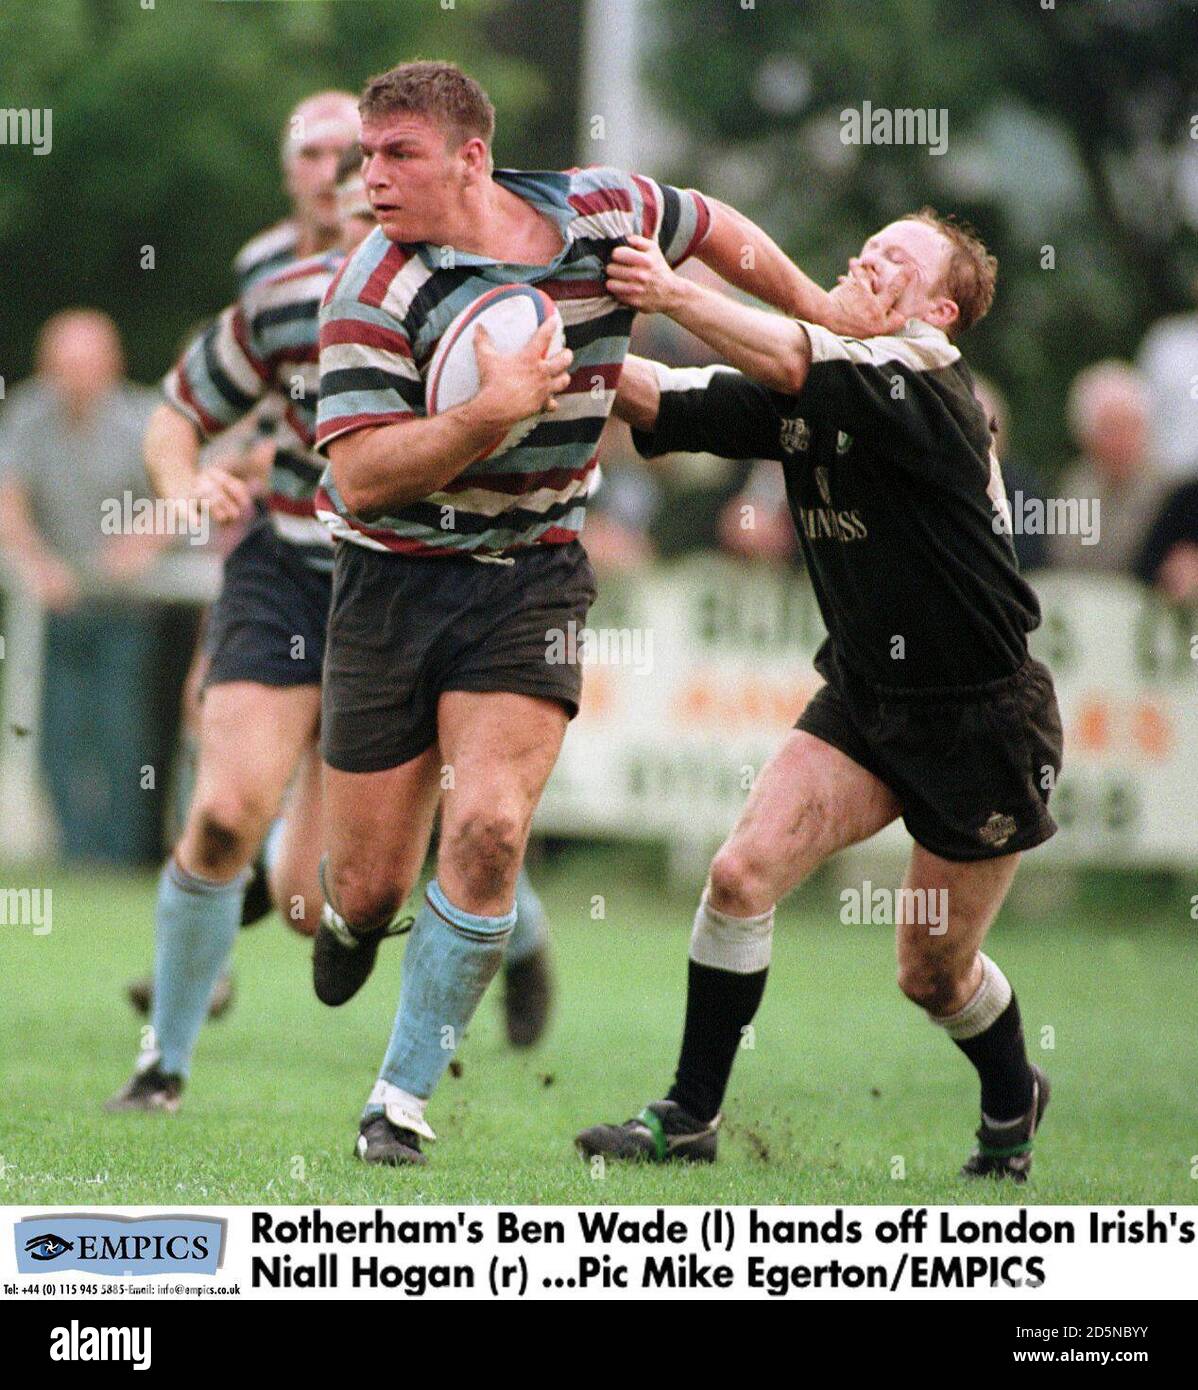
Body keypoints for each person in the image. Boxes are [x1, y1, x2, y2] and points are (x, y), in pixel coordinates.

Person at [310, 60, 899, 1167]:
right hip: (391, 582)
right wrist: (490, 413)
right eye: (365, 153)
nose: (371, 177)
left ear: (471, 156)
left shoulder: (598, 209)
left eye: (398, 154)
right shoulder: (370, 291)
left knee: (487, 827)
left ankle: (397, 1099)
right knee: (367, 882)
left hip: (531, 570)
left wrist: (816, 310)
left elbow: (711, 222)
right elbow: (360, 480)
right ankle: (351, 925)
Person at [576, 208, 1063, 1182]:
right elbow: (664, 396)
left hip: (980, 717)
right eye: (865, 244)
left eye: (893, 259)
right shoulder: (814, 383)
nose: (863, 259)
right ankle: (690, 1113)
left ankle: (1012, 1093)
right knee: (738, 875)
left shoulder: (927, 375)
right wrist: (548, 348)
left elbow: (799, 359)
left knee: (931, 973)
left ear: (941, 309)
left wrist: (670, 289)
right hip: (864, 694)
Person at [0, 311, 165, 863]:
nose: (74, 377)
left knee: (123, 729)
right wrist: (39, 564)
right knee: (56, 730)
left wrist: (135, 547)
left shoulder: (144, 418)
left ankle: (123, 857)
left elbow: (175, 497)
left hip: (130, 607)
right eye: (63, 365)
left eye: (85, 364)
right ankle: (75, 853)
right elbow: (9, 497)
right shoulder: (28, 415)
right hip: (56, 605)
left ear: (111, 364)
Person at [1048, 362, 1167, 575]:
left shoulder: (1168, 490)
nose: (1122, 440)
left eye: (1130, 426)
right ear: (1087, 437)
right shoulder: (1075, 487)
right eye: (1110, 429)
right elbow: (1063, 558)